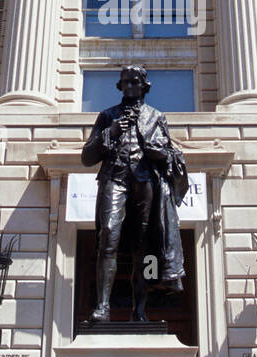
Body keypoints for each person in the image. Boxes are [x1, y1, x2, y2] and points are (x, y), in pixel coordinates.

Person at [80, 65, 189, 322]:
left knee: (146, 249)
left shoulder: (156, 117)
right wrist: (112, 132)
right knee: (108, 235)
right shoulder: (107, 116)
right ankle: (103, 307)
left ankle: (140, 309)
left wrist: (159, 154)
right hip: (115, 179)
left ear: (144, 86)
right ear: (120, 86)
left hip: (144, 184)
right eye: (125, 82)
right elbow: (86, 157)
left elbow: (172, 158)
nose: (130, 87)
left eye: (135, 82)